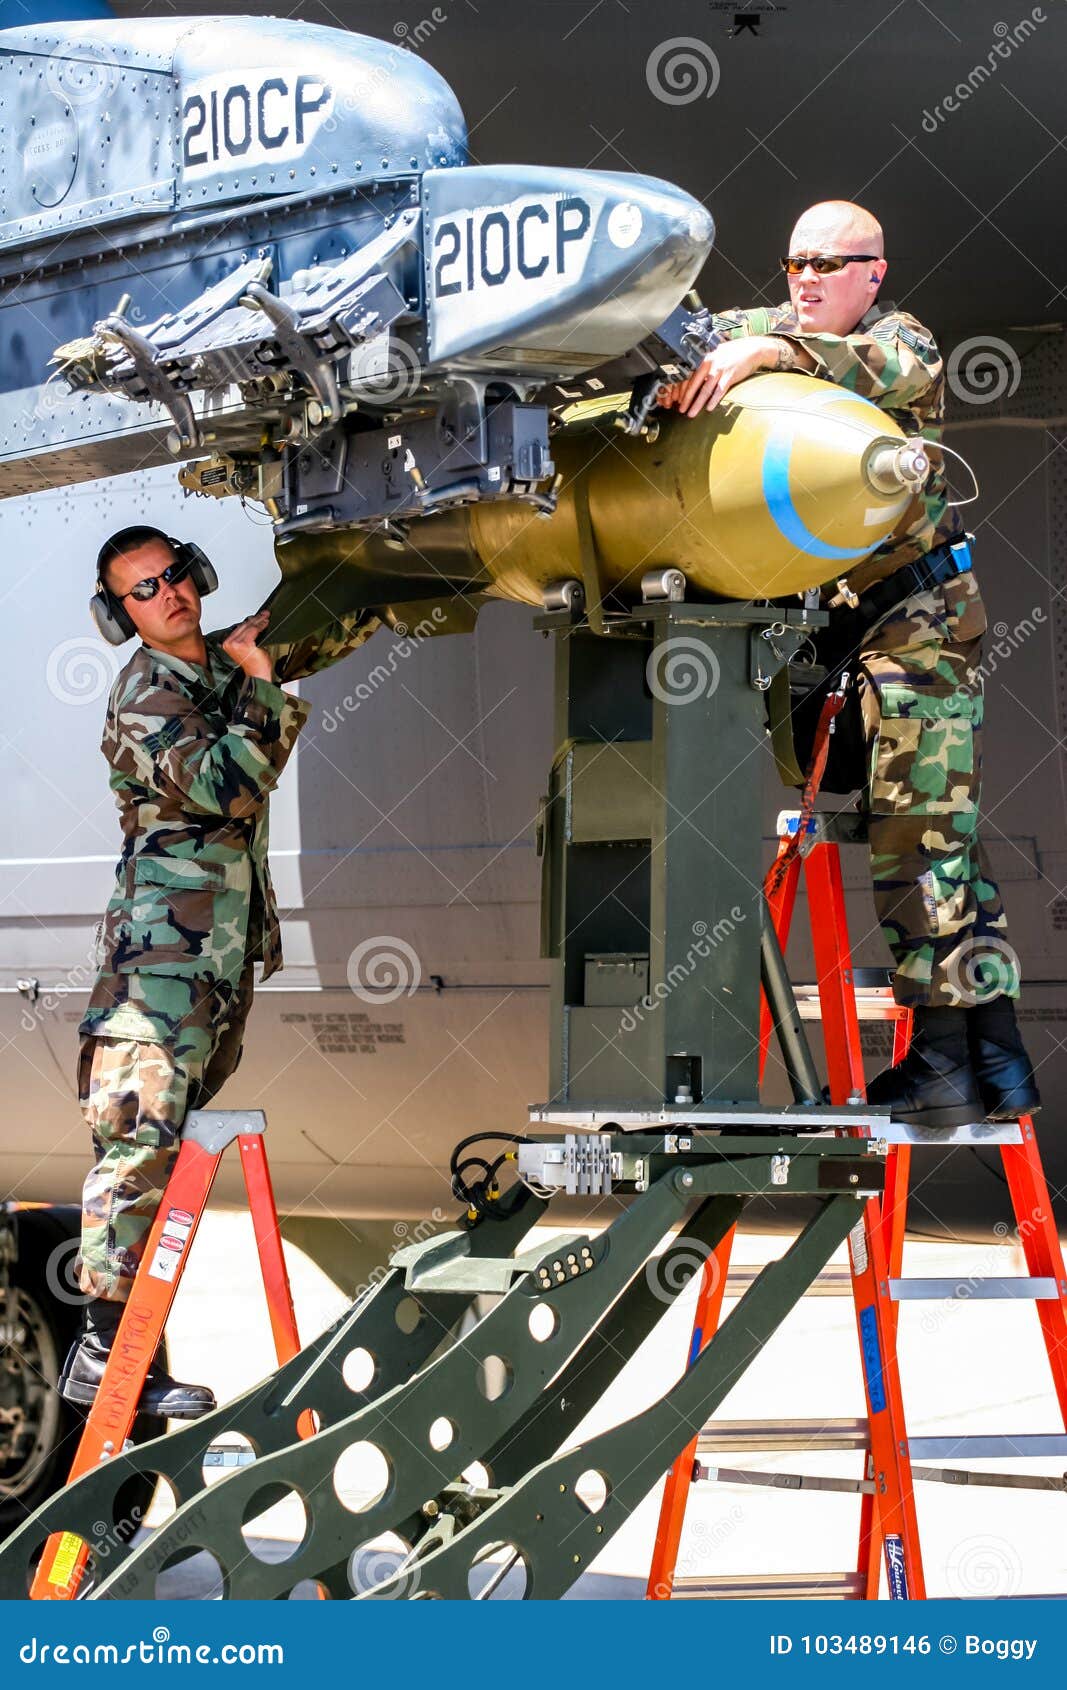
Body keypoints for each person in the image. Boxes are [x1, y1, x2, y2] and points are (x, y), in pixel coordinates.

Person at [661, 199, 1039, 1130]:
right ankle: (995, 1059)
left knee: (919, 846)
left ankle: (944, 1066)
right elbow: (693, 336)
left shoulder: (896, 345)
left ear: (874, 273)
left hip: (919, 633)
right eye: (794, 263)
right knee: (936, 842)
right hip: (856, 636)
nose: (807, 278)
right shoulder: (773, 329)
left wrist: (769, 355)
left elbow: (887, 368)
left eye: (830, 263)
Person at [60, 526, 379, 1417]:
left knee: (165, 1162)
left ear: (194, 574)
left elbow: (316, 626)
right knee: (138, 1145)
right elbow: (233, 783)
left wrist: (393, 573)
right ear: (119, 616)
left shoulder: (225, 663)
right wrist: (267, 681)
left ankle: (140, 1357)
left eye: (172, 575)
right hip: (158, 969)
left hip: (217, 965)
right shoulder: (145, 693)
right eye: (142, 590)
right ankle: (99, 1352)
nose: (167, 594)